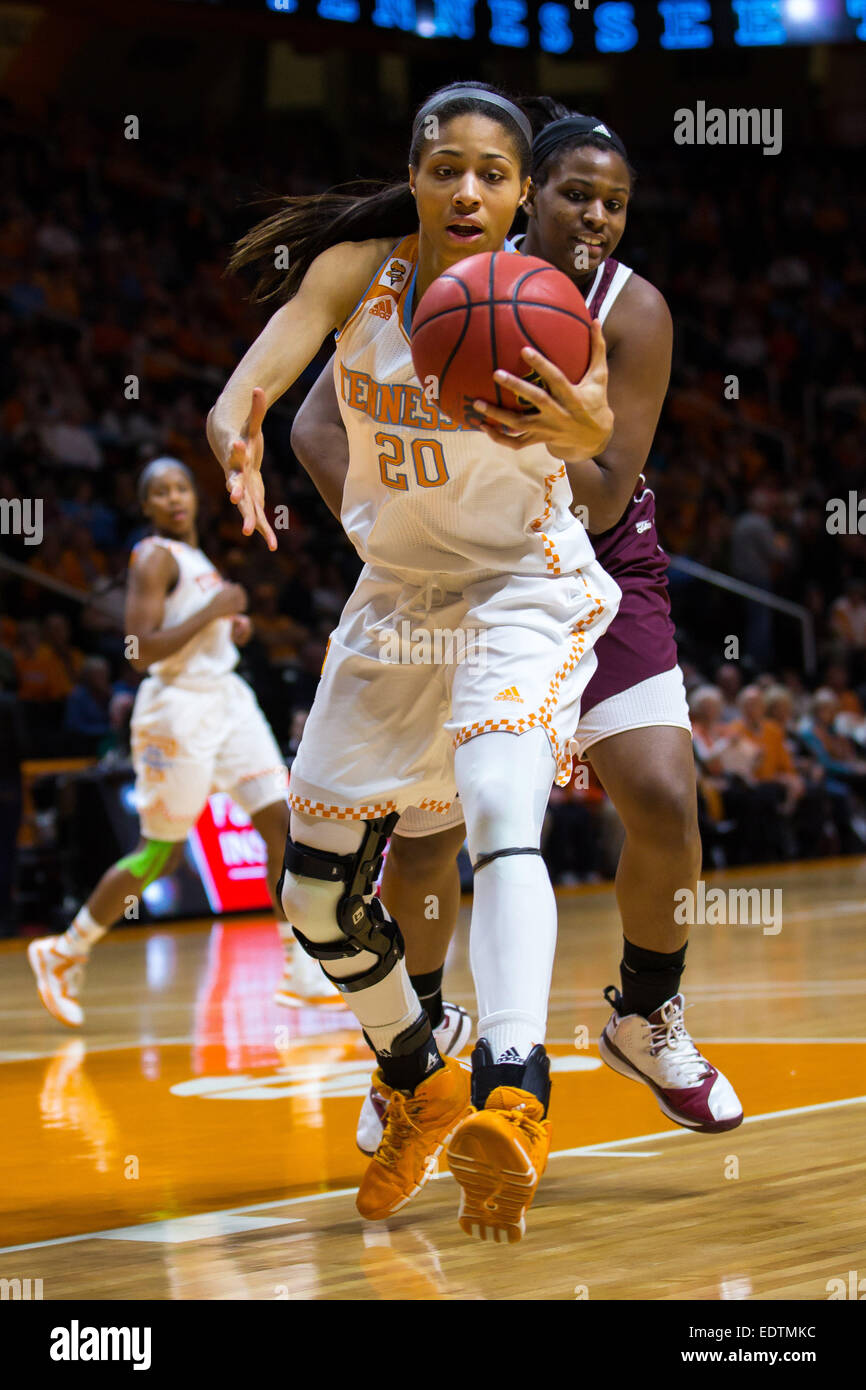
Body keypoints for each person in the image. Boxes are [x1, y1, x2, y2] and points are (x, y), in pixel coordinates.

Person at [291, 104, 743, 1161]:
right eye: (573, 192)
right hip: (451, 572)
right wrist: (385, 535)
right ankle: (423, 1034)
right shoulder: (428, 280)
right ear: (523, 194)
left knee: (667, 796)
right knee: (429, 832)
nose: (594, 214)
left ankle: (644, 1013)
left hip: (589, 561)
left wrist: (540, 433)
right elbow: (313, 424)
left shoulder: (633, 312)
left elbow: (595, 495)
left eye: (615, 202)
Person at [208, 82, 619, 1242]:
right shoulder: (359, 268)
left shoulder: (544, 298)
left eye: (494, 174)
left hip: (518, 586)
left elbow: (596, 444)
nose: (469, 191)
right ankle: (417, 1075)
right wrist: (234, 430)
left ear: (522, 191)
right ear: (418, 171)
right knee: (315, 892)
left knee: (499, 803)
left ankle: (515, 1090)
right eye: (448, 169)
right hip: (398, 597)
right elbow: (257, 382)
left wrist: (583, 432)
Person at [27, 457, 289, 1027]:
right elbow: (138, 650)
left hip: (226, 700)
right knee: (161, 854)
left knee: (281, 825)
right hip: (177, 711)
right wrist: (214, 614)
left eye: (180, 487)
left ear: (194, 496)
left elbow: (192, 626)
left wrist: (227, 627)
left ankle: (298, 965)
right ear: (145, 506)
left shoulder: (196, 561)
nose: (174, 498)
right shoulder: (152, 556)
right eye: (159, 491)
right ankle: (64, 949)